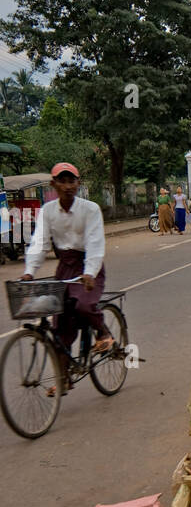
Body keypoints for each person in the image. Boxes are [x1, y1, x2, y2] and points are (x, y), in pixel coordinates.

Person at [21, 163, 113, 391]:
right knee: (60, 323)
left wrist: (90, 272)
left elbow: (94, 243)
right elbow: (40, 243)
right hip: (65, 268)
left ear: (78, 183)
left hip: (87, 267)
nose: (67, 186)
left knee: (83, 305)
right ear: (54, 184)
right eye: (62, 181)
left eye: (71, 181)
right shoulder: (47, 211)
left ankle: (103, 332)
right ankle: (63, 379)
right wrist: (29, 271)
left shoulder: (90, 209)